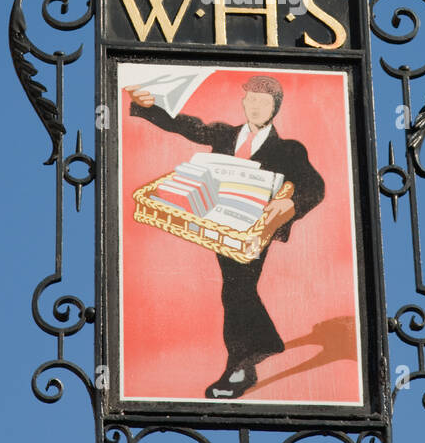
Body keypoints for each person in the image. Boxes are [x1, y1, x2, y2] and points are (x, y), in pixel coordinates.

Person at [126, 74, 325, 399]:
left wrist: (290, 203)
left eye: (265, 102)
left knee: (236, 290)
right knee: (236, 288)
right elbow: (185, 126)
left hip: (253, 231)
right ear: (243, 102)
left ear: (276, 107)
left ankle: (241, 366)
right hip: (217, 226)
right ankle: (265, 341)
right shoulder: (225, 135)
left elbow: (315, 186)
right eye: (252, 100)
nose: (257, 107)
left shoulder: (288, 149)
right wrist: (147, 108)